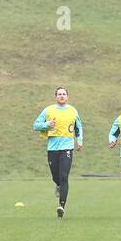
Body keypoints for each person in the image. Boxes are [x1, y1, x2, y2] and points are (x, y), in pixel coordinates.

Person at [33, 87, 83, 218]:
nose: (62, 96)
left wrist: (80, 140)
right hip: (52, 148)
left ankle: (61, 205)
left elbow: (78, 127)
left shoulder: (73, 110)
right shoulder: (48, 110)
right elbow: (36, 125)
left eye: (64, 94)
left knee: (64, 175)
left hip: (67, 147)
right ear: (56, 96)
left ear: (67, 96)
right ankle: (58, 185)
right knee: (56, 176)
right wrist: (47, 124)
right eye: (59, 94)